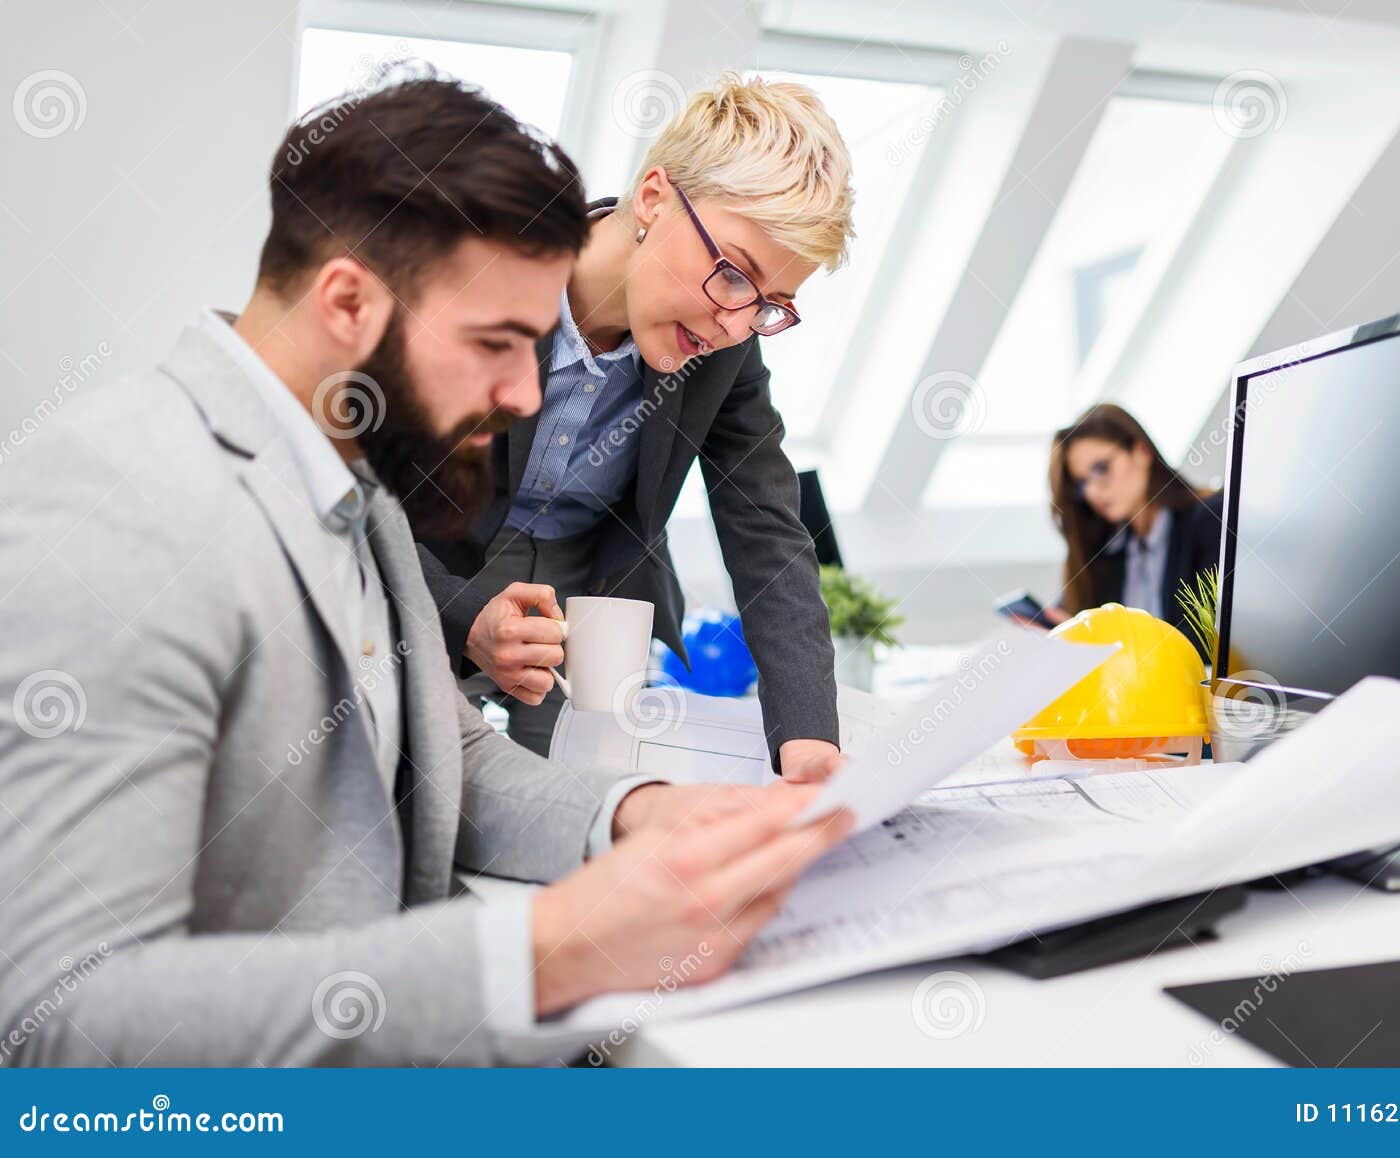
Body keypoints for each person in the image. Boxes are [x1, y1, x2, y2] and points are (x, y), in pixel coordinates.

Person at [0, 72, 851, 1067]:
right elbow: (56, 1025)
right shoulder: (115, 505)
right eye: (496, 342)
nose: (529, 392)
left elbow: (450, 756)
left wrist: (640, 814)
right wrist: (538, 955)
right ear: (349, 303)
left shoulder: (352, 484)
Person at [415, 74, 852, 778]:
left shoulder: (727, 348)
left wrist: (809, 738)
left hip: (594, 602)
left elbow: (765, 524)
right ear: (653, 198)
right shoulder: (481, 270)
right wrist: (464, 615)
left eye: (770, 303)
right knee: (419, 790)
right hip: (431, 569)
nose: (736, 324)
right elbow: (354, 495)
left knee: (578, 813)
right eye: (734, 274)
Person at [1047, 403, 1224, 654]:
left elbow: (1210, 636)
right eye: (1081, 483)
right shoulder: (1106, 548)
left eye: (1101, 468)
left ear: (1141, 451)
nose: (1092, 492)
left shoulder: (1209, 520)